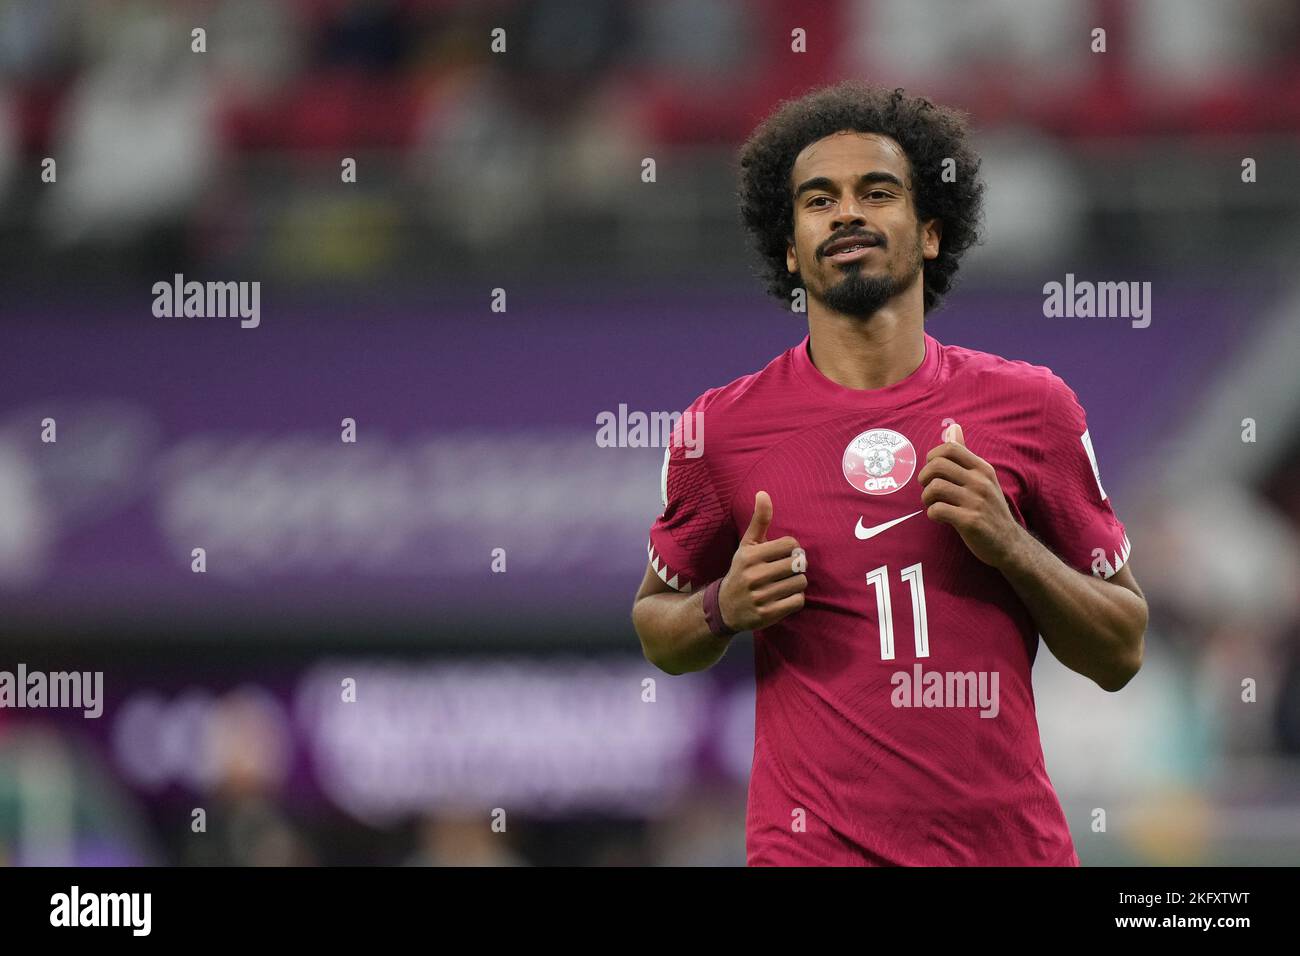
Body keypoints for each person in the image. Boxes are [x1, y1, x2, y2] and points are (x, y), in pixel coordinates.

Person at [630, 83, 1147, 866]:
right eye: (818, 200)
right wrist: (721, 606)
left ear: (930, 232)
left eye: (877, 192)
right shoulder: (720, 430)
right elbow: (657, 631)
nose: (847, 213)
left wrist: (1011, 546)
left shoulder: (1033, 408)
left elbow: (1122, 650)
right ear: (790, 249)